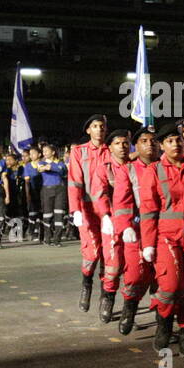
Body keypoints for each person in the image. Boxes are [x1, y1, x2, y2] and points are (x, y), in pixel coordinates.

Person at [140, 124, 184, 356]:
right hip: (166, 236)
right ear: (162, 146)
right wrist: (147, 243)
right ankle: (164, 325)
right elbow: (147, 209)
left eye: (178, 140)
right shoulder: (154, 171)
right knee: (170, 286)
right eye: (170, 141)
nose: (176, 144)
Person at [111, 127, 158, 335]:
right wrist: (125, 226)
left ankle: (162, 320)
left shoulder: (165, 167)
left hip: (164, 230)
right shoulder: (127, 170)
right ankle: (129, 307)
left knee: (162, 276)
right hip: (137, 230)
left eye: (153, 140)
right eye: (144, 140)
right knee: (136, 275)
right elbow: (121, 200)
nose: (150, 144)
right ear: (136, 146)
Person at [89, 128, 134, 322]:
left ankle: (129, 306)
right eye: (117, 143)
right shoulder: (104, 167)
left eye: (125, 143)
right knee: (113, 265)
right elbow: (99, 193)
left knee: (133, 269)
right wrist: (105, 216)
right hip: (112, 223)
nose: (122, 147)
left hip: (134, 223)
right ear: (109, 147)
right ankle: (107, 298)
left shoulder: (136, 166)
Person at [67, 114, 110, 309]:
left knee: (109, 255)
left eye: (102, 126)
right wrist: (75, 209)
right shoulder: (79, 152)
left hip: (109, 212)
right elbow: (75, 181)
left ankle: (105, 296)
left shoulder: (112, 150)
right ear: (88, 130)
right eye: (95, 126)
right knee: (92, 253)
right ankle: (86, 283)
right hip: (87, 210)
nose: (99, 130)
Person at [35, 142, 68, 245]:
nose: (44, 153)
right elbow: (40, 169)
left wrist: (51, 168)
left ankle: (57, 239)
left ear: (53, 152)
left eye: (46, 151)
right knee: (47, 215)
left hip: (60, 190)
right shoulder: (41, 162)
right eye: (43, 151)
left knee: (59, 214)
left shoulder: (60, 163)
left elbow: (63, 171)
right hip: (47, 190)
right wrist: (49, 168)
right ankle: (47, 238)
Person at [23, 146, 43, 241]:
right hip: (33, 191)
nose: (31, 156)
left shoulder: (44, 164)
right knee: (32, 212)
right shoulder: (27, 166)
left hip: (43, 191)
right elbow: (27, 182)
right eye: (30, 154)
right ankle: (31, 232)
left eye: (33, 153)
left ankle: (40, 232)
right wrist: (28, 194)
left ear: (39, 154)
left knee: (42, 213)